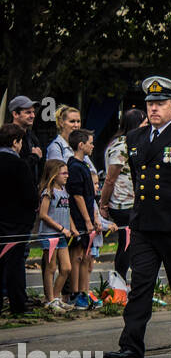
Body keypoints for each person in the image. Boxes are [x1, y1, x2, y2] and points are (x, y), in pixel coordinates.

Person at [104, 77, 171, 358]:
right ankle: (131, 349)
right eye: (150, 104)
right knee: (140, 288)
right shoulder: (135, 139)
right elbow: (141, 180)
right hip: (145, 227)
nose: (153, 109)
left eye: (160, 104)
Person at [100, 109, 145, 281]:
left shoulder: (132, 143)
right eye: (144, 124)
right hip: (123, 203)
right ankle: (120, 281)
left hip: (134, 201)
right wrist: (103, 205)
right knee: (127, 244)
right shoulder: (121, 146)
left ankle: (129, 281)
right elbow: (110, 179)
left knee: (134, 244)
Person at [0, 123, 39, 316]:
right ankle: (18, 304)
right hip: (17, 222)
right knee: (14, 263)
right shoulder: (18, 164)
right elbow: (30, 195)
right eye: (20, 141)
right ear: (16, 142)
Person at [64, 128, 99, 309]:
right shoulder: (74, 166)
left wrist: (94, 217)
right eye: (90, 143)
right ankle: (75, 293)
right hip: (78, 218)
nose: (93, 146)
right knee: (76, 256)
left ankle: (85, 292)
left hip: (88, 216)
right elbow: (77, 196)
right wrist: (86, 219)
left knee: (85, 257)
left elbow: (89, 196)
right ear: (81, 145)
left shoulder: (84, 165)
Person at [34, 160, 75, 312]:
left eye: (67, 173)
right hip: (50, 236)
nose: (67, 176)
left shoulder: (64, 190)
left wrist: (72, 228)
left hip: (62, 235)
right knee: (51, 268)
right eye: (64, 173)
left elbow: (67, 211)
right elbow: (43, 215)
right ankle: (49, 300)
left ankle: (55, 297)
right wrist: (61, 228)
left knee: (66, 268)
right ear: (54, 174)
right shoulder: (48, 192)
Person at [8, 95, 43, 184]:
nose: (33, 116)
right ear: (15, 114)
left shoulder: (31, 136)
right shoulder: (7, 136)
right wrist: (34, 157)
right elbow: (13, 167)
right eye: (28, 112)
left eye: (33, 112)